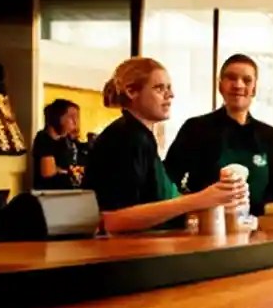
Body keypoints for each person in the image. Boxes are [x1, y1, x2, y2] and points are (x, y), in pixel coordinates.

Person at [83, 58, 246, 234]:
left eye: (169, 88)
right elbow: (113, 221)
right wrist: (201, 200)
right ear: (131, 91)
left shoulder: (142, 137)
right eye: (159, 88)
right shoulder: (126, 138)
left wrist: (211, 200)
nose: (170, 95)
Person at [164, 54, 273, 216]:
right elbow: (168, 179)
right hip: (207, 228)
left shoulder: (271, 137)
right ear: (220, 85)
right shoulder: (196, 128)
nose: (238, 85)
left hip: (259, 230)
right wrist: (189, 209)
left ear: (254, 89)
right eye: (231, 78)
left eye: (247, 80)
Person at [31, 99, 81, 190]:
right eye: (71, 117)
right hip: (50, 196)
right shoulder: (43, 138)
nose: (75, 122)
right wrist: (66, 171)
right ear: (58, 117)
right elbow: (48, 171)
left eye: (76, 117)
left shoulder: (67, 141)